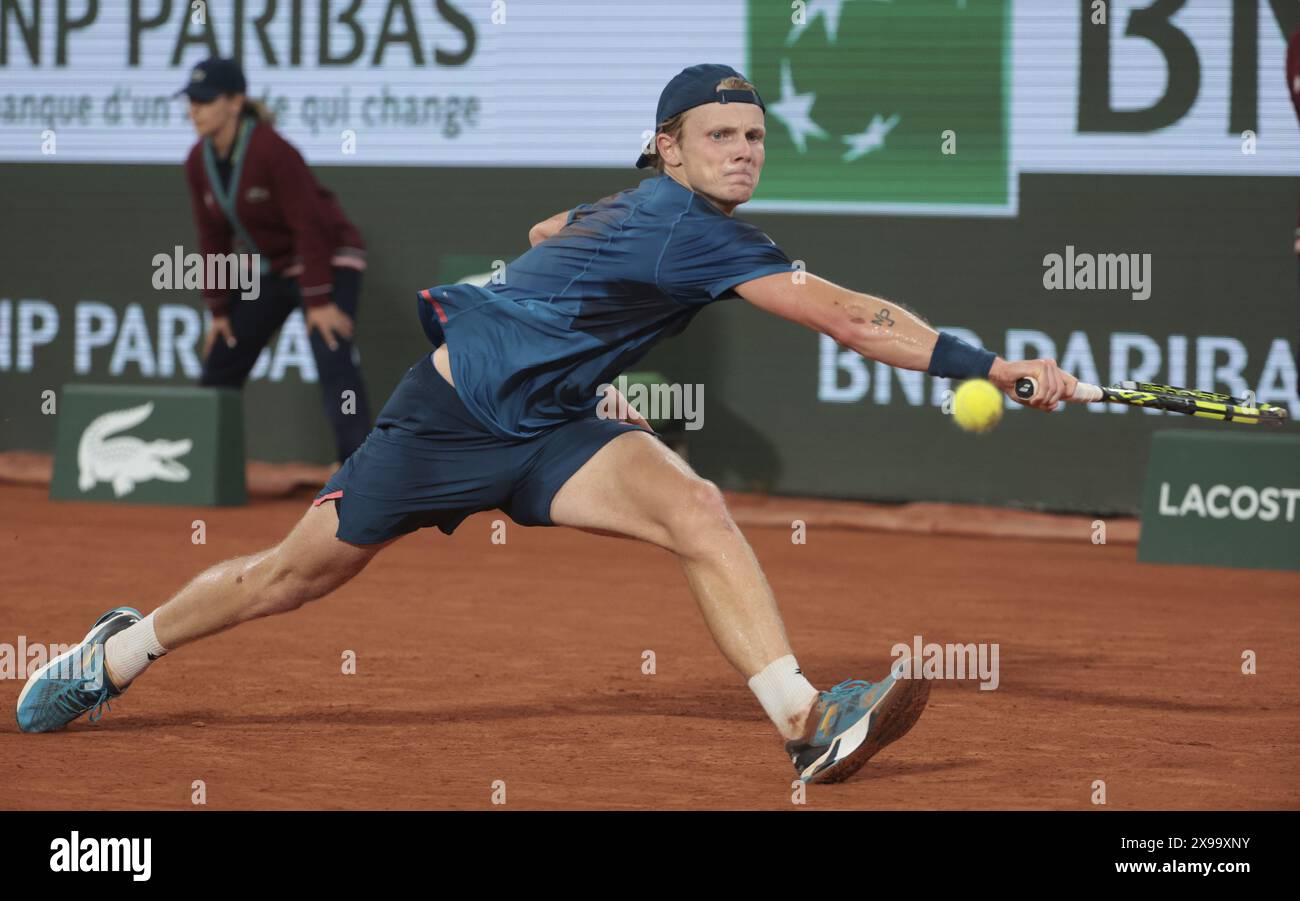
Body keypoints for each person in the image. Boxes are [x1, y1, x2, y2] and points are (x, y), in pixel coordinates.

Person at [17, 64, 1076, 785]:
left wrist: (577, 346)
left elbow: (544, 228)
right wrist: (994, 367)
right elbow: (848, 317)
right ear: (670, 147)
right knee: (291, 579)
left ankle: (803, 720)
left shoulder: (658, 212)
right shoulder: (693, 234)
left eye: (754, 136)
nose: (742, 151)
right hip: (448, 417)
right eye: (718, 136)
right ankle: (121, 651)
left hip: (556, 422)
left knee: (697, 511)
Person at [181, 57, 372, 464]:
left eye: (204, 100)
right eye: (190, 100)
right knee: (224, 351)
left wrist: (319, 301)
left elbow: (309, 226)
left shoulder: (272, 150)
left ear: (234, 103)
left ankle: (357, 467)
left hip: (330, 257)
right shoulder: (197, 161)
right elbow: (212, 238)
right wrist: (218, 309)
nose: (192, 110)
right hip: (273, 268)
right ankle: (202, 465)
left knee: (331, 348)